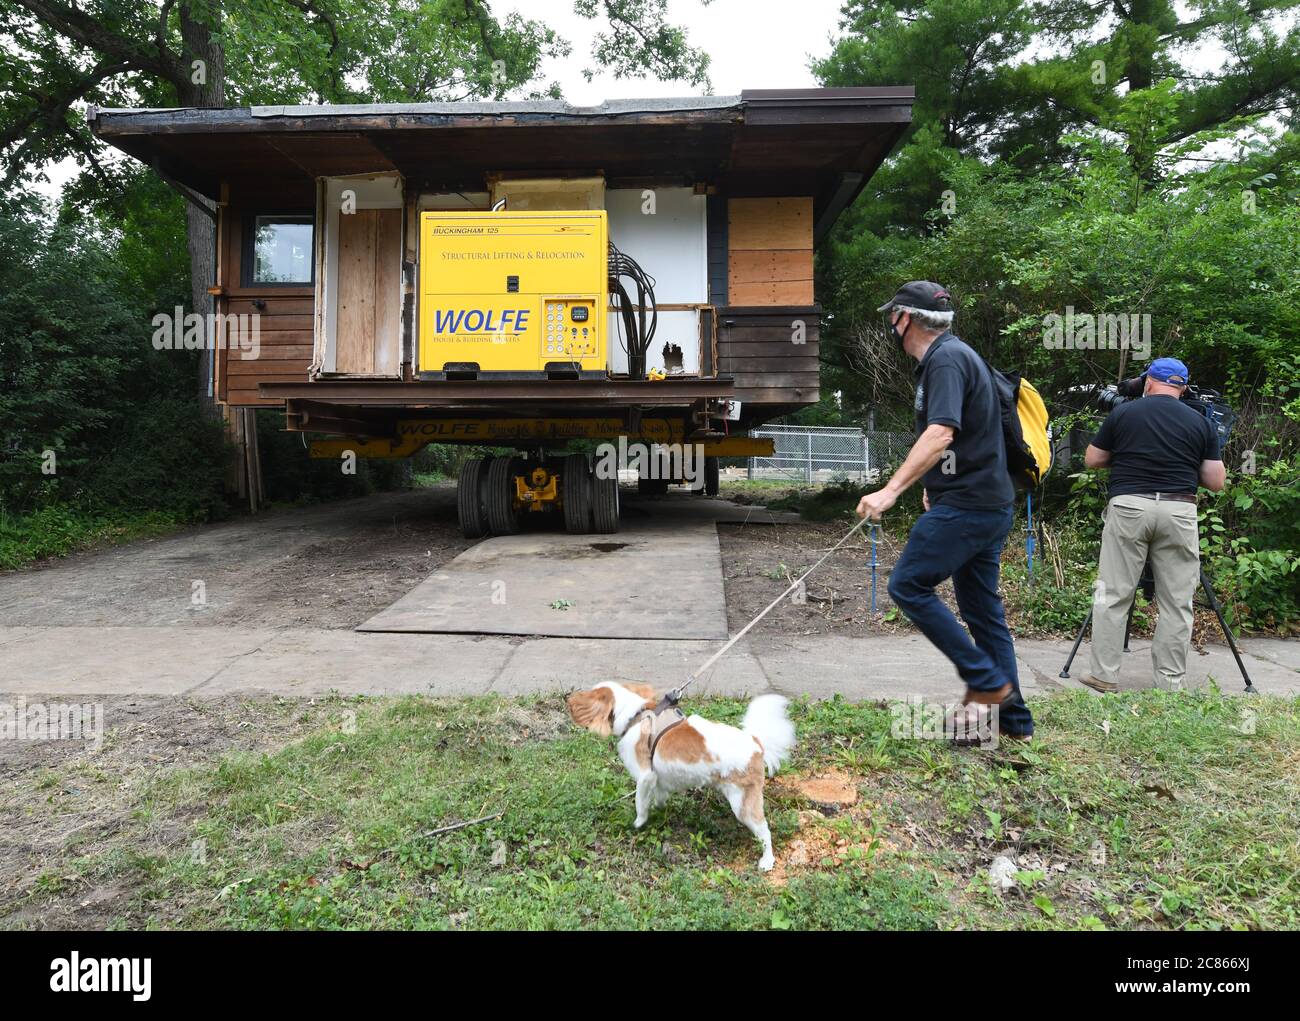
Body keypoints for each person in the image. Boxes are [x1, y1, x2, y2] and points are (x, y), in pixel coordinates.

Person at [856, 281, 1033, 741]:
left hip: (972, 506)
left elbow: (941, 433)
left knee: (908, 585)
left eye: (890, 317)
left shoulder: (947, 360)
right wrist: (935, 485)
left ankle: (986, 681)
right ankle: (1015, 723)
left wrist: (890, 490)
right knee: (982, 611)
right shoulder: (953, 357)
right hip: (983, 501)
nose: (889, 325)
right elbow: (969, 436)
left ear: (904, 319)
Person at [1081, 358, 1226, 692]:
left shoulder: (1123, 413)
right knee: (1177, 600)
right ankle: (1170, 682)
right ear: (1183, 387)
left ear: (1147, 382)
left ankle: (1103, 675)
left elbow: (1093, 459)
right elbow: (1216, 481)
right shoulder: (1200, 422)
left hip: (1130, 505)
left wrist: (1130, 453)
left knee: (1113, 593)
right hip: (1178, 509)